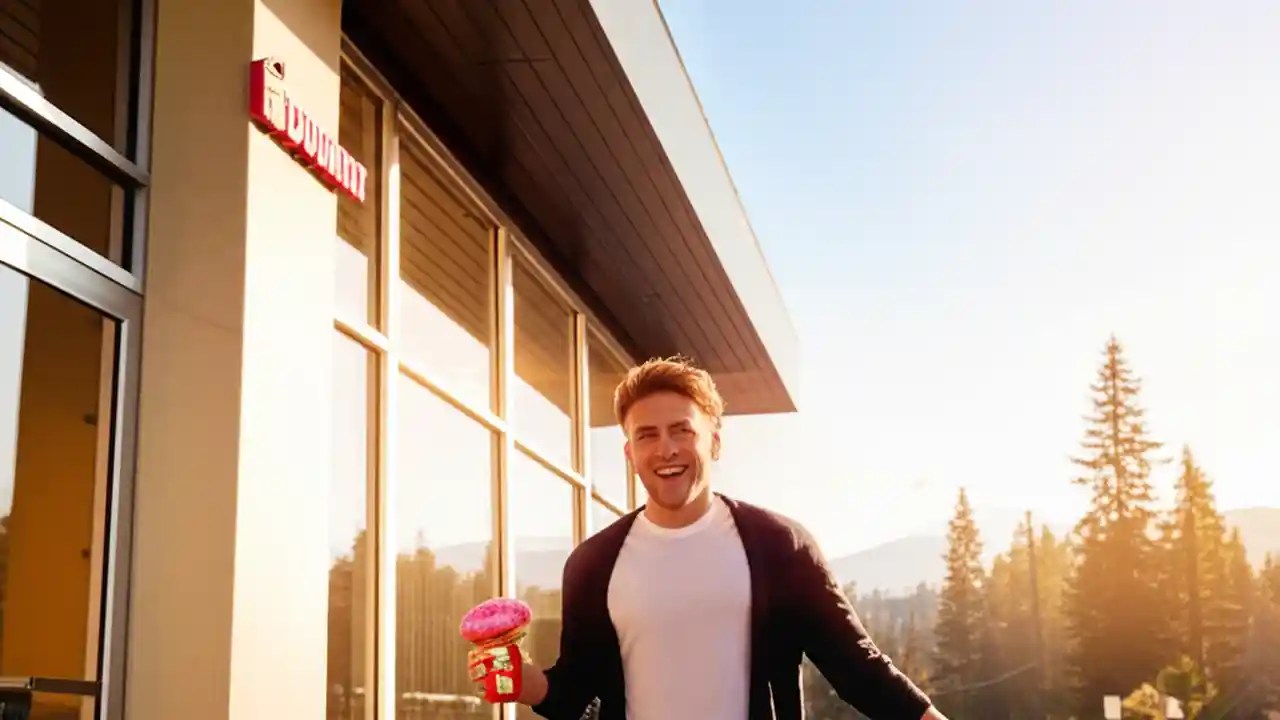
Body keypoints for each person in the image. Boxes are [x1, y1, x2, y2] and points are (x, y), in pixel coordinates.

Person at [470, 356, 948, 720]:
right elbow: (575, 691)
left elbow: (856, 666)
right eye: (647, 435)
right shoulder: (593, 563)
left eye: (682, 430)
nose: (666, 449)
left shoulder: (780, 546)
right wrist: (525, 683)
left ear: (714, 440)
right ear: (630, 452)